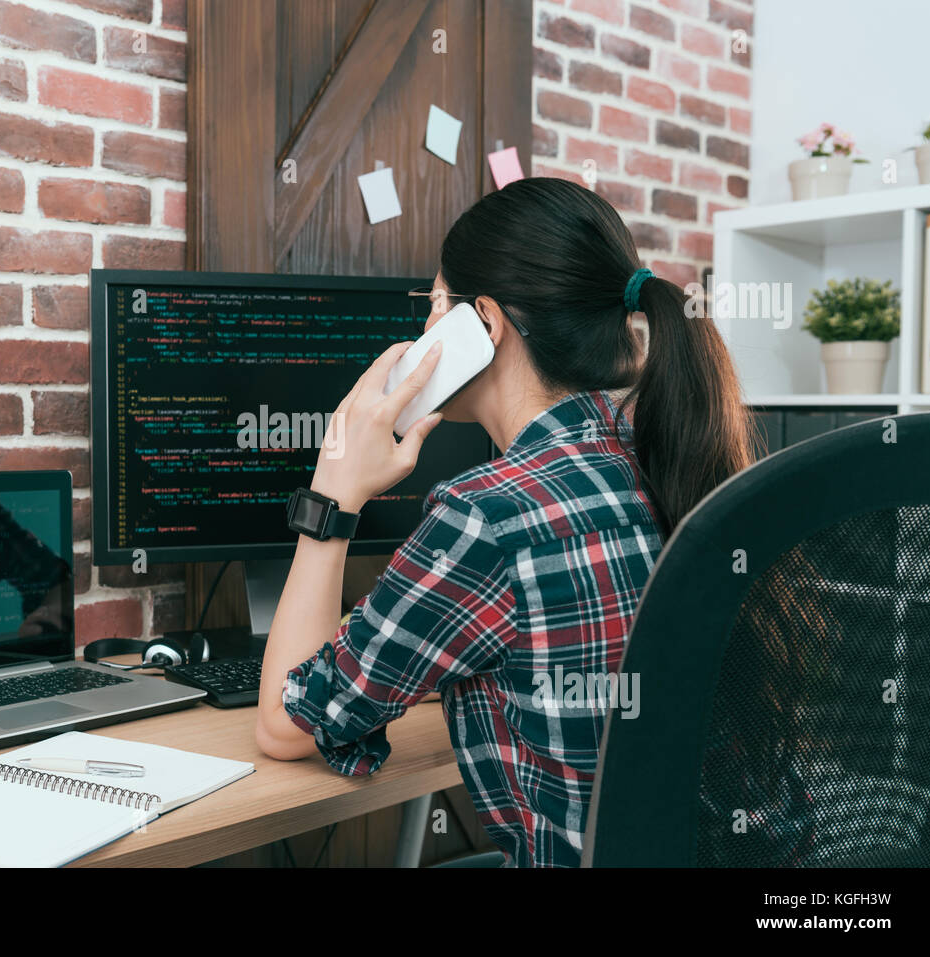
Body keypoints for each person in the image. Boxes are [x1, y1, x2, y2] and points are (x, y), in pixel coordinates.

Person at [254, 176, 755, 866]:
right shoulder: (677, 460)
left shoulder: (489, 515)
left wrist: (333, 494)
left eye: (435, 308)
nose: (423, 334)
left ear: (482, 325)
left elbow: (288, 723)